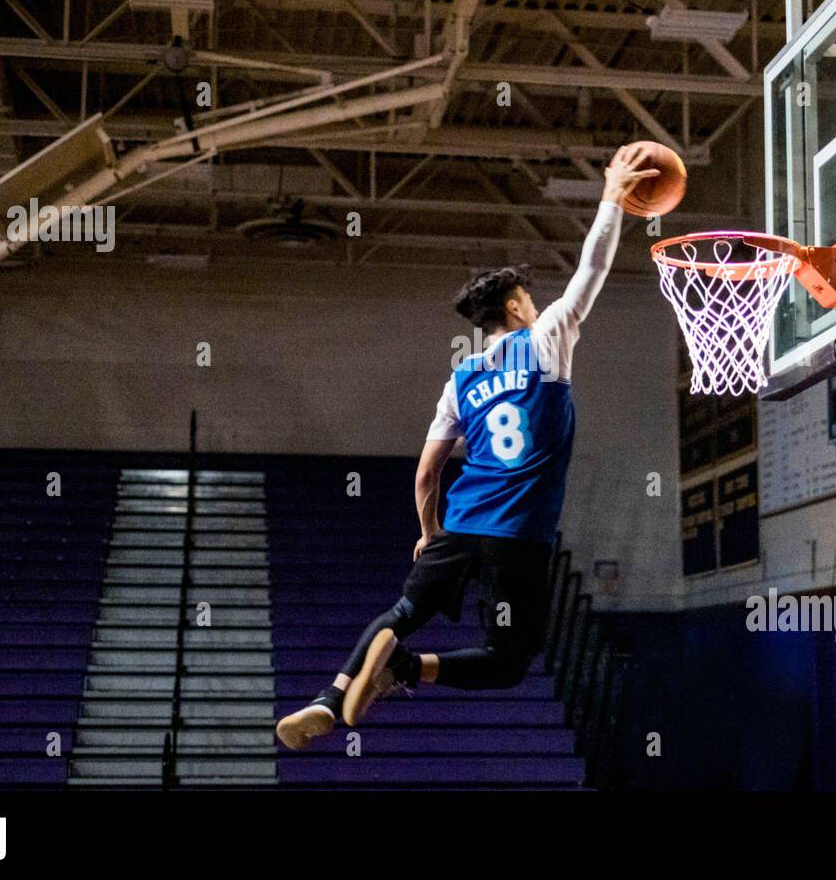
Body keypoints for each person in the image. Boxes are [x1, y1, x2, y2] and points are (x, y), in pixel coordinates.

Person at [275, 144, 658, 749]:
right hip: (518, 535)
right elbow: (592, 271)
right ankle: (404, 669)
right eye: (529, 298)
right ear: (515, 306)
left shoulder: (461, 378)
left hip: (460, 522)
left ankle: (331, 694)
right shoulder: (547, 341)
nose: (538, 304)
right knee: (508, 662)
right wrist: (611, 199)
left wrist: (430, 532)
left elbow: (427, 473)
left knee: (404, 612)